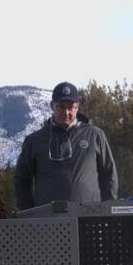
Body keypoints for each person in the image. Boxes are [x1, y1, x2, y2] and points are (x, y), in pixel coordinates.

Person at [14, 82, 118, 210]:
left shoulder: (95, 135)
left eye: (71, 107)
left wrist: (110, 209)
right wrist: (29, 212)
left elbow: (109, 174)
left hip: (90, 215)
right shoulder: (34, 140)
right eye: (61, 107)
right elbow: (22, 179)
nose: (66, 112)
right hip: (47, 219)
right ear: (52, 106)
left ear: (77, 107)